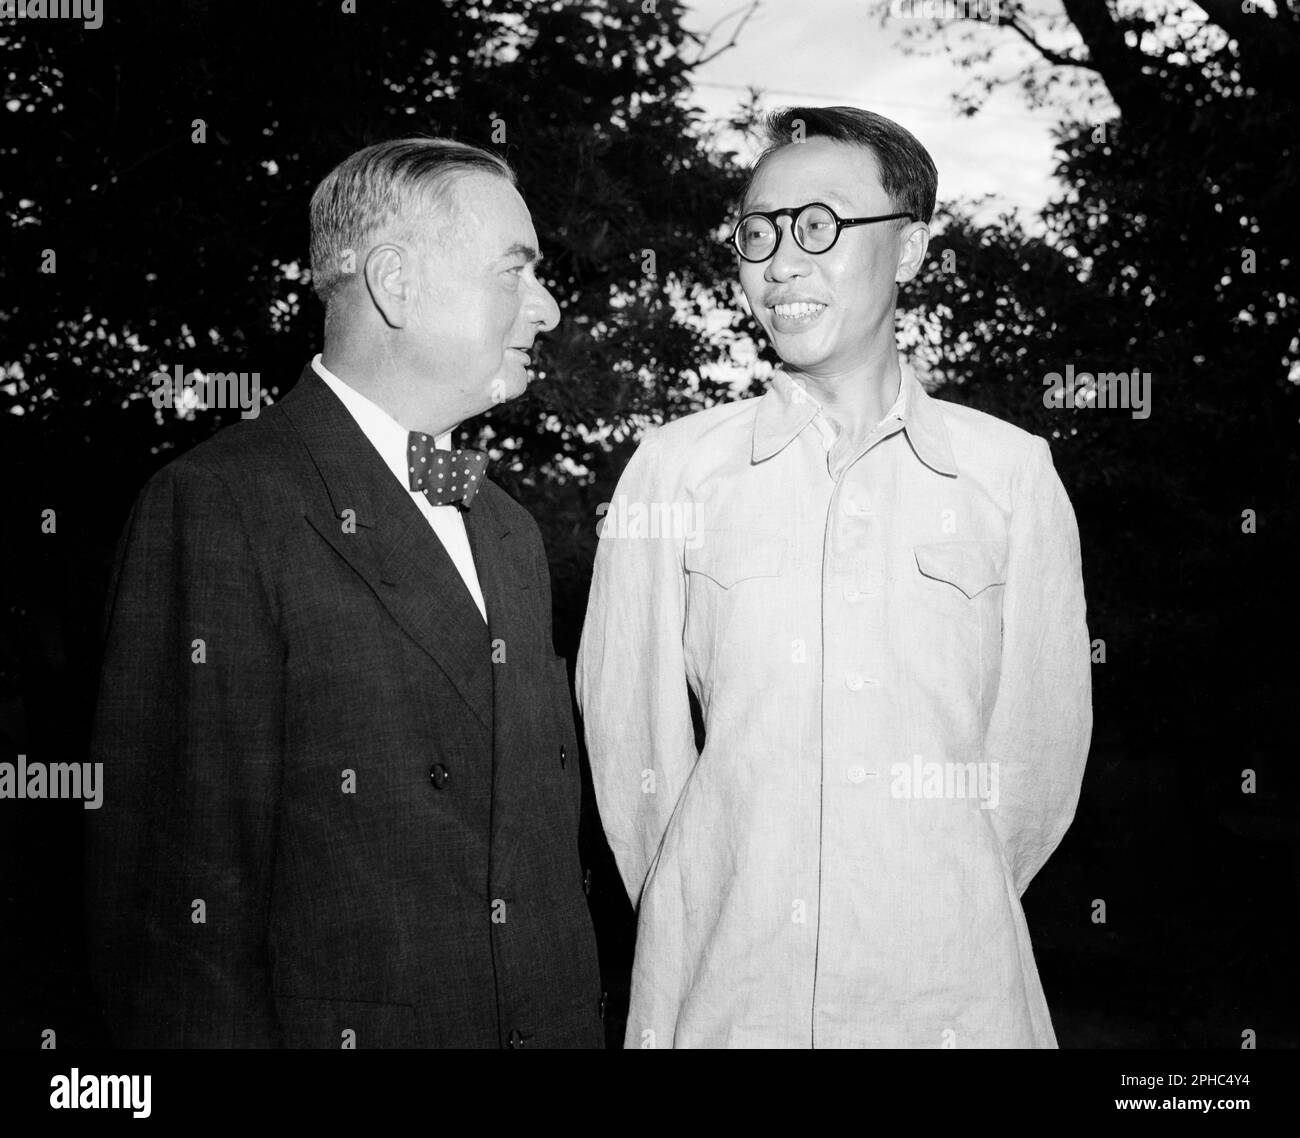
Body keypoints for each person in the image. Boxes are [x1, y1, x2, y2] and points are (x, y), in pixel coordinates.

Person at [576, 106, 1092, 1048]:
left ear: (912, 250)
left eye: (821, 225)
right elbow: (630, 748)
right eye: (758, 231)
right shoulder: (673, 469)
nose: (780, 263)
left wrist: (920, 891)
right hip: (725, 1000)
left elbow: (1035, 767)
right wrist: (716, 896)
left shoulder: (1011, 474)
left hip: (955, 998)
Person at [85, 138, 603, 1048]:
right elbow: (176, 914)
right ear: (395, 282)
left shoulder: (510, 532)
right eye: (515, 272)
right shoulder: (221, 507)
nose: (549, 308)